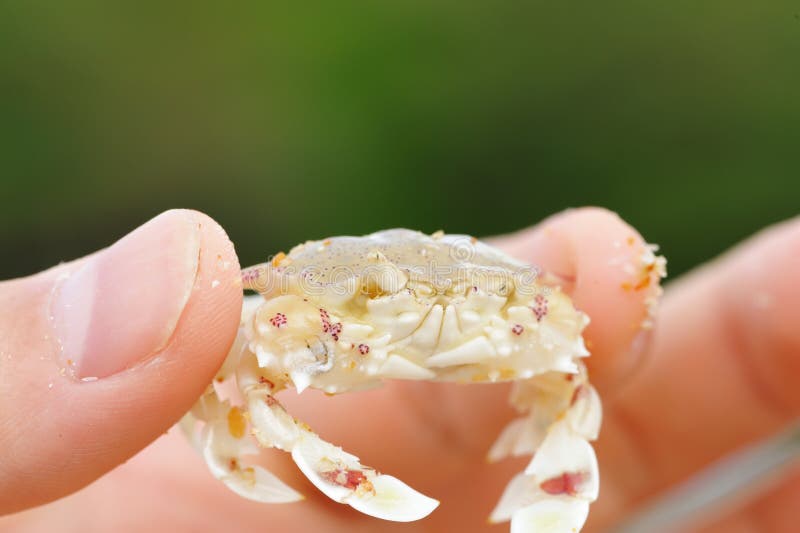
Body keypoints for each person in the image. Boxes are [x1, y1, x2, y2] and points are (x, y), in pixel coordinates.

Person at [0, 208, 797, 532]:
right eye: (389, 294)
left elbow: (582, 350)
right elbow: (223, 374)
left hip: (503, 305)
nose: (426, 310)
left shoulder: (529, 306)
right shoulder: (297, 304)